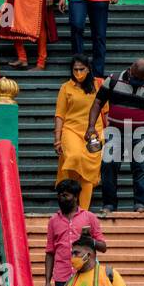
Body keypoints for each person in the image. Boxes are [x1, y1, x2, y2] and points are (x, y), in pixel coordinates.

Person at [85, 58, 144, 214]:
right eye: (136, 78)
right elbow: (98, 102)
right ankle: (109, 205)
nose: (138, 82)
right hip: (115, 131)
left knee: (141, 167)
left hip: (140, 133)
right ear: (131, 69)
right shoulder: (112, 80)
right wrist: (91, 126)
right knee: (109, 165)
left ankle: (140, 204)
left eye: (142, 79)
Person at [44, 177, 106, 286]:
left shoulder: (90, 217)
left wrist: (91, 241)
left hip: (87, 274)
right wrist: (47, 281)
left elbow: (103, 247)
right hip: (62, 276)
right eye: (59, 195)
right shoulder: (53, 221)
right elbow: (50, 252)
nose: (61, 198)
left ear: (76, 196)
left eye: (65, 195)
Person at [53, 61, 107, 209]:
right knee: (74, 157)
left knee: (90, 170)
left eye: (81, 69)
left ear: (89, 69)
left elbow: (106, 111)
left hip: (94, 131)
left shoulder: (98, 85)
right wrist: (57, 139)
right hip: (71, 130)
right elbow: (59, 115)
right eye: (75, 69)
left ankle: (82, 211)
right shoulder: (66, 87)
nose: (78, 72)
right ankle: (69, 198)